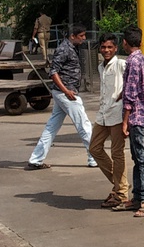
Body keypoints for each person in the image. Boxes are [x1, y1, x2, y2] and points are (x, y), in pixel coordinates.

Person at [27, 24, 97, 170]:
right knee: (84, 125)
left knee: (51, 127)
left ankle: (36, 159)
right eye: (81, 36)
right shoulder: (64, 49)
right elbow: (53, 72)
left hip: (64, 93)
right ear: (72, 36)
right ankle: (94, 158)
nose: (84, 39)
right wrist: (66, 91)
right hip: (67, 94)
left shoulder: (73, 47)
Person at [119, 26, 144, 217]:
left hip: (137, 117)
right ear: (141, 42)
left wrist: (125, 121)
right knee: (138, 159)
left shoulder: (132, 62)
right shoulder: (143, 60)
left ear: (124, 43)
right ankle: (138, 197)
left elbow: (131, 93)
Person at [89, 32, 129, 208]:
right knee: (94, 148)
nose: (106, 50)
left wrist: (124, 95)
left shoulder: (121, 64)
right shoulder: (101, 67)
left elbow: (135, 80)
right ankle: (121, 185)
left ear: (116, 48)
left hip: (118, 114)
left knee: (117, 153)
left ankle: (121, 193)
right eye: (104, 47)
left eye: (110, 47)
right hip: (103, 113)